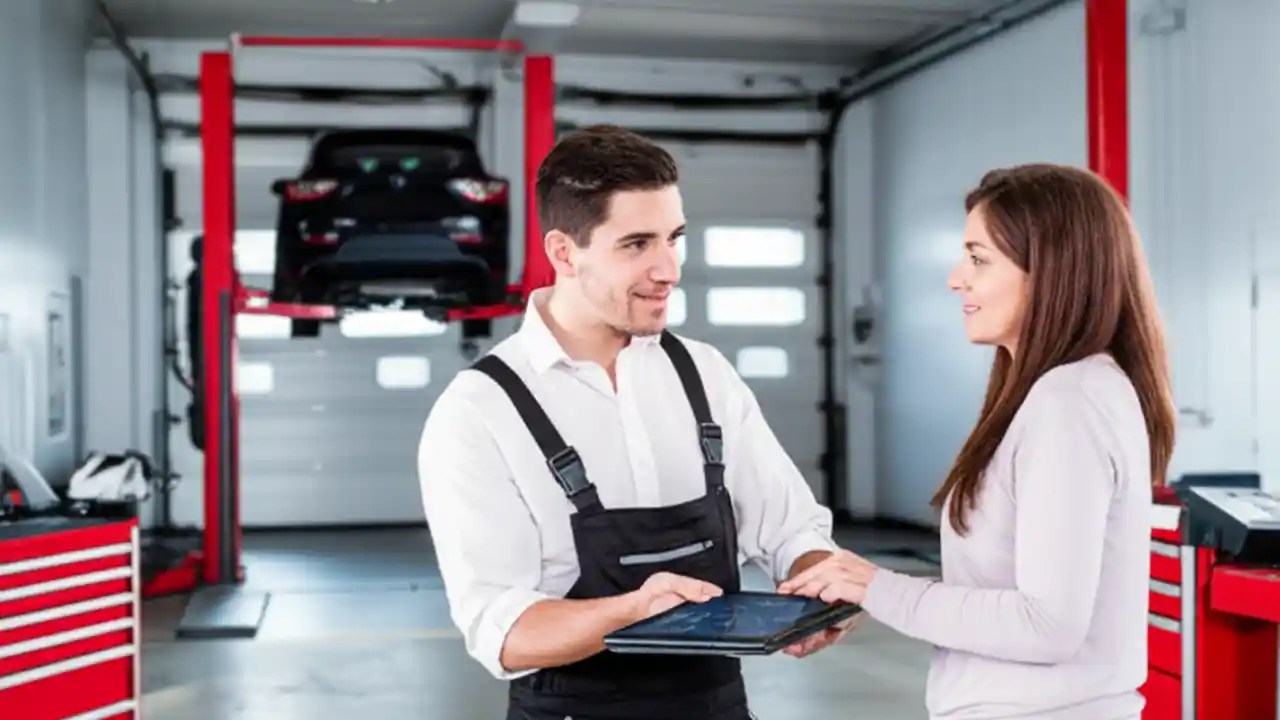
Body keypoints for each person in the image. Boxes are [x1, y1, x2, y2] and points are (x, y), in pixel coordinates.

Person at [417, 124, 848, 720]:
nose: (669, 268)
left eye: (675, 238)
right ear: (564, 252)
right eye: (637, 244)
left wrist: (818, 588)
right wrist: (631, 612)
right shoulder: (479, 411)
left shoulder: (705, 375)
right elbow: (503, 631)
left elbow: (790, 530)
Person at [780, 163, 1177, 719]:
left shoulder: (1069, 401)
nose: (955, 278)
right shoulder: (1070, 390)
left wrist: (879, 588)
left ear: (1051, 271)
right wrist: (874, 590)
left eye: (978, 258)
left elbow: (1048, 626)